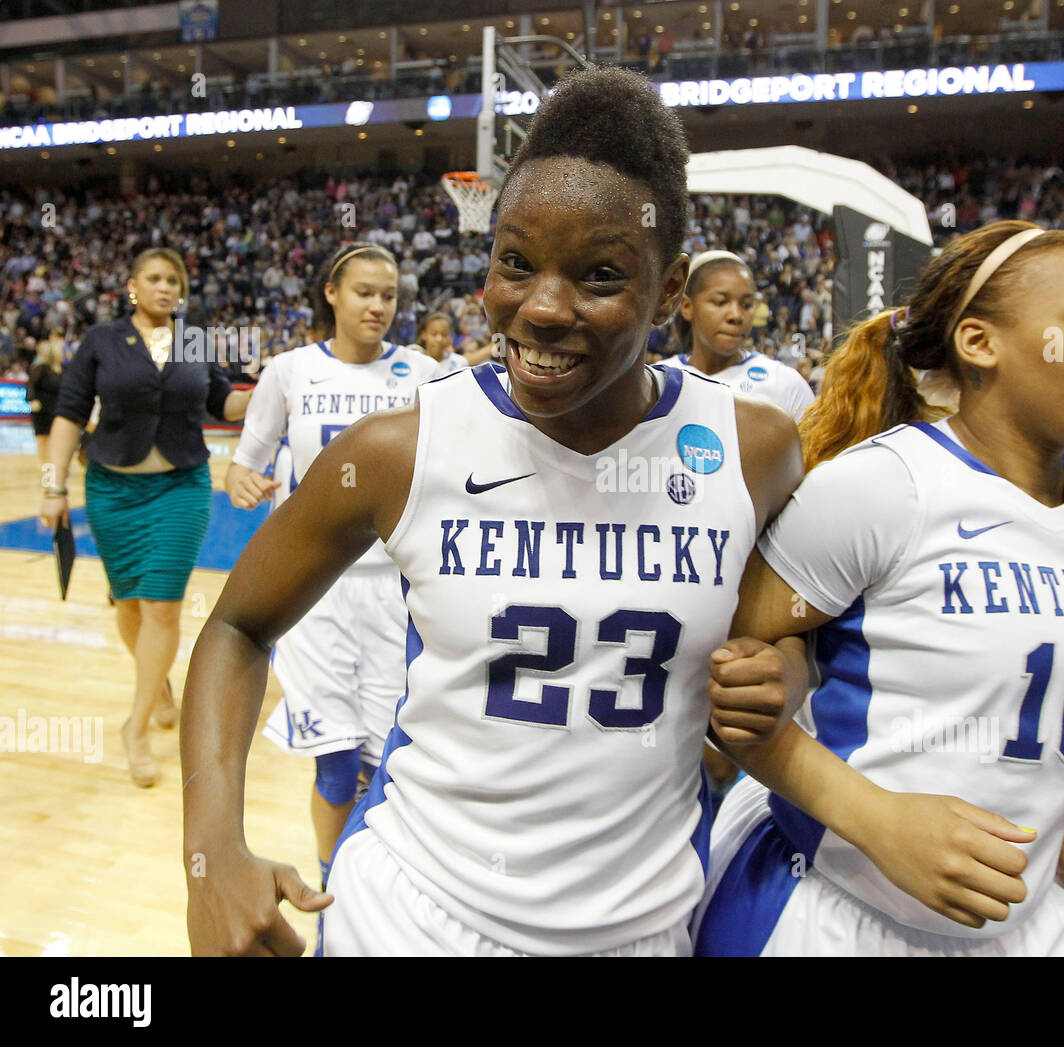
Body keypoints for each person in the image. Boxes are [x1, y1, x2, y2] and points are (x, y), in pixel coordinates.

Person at [180, 67, 808, 957]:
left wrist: (786, 667)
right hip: (410, 917)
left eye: (598, 275)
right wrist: (210, 853)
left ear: (669, 292)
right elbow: (236, 627)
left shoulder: (755, 450)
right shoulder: (398, 449)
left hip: (642, 928)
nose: (543, 307)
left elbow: (795, 638)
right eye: (516, 262)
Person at [695, 221, 1064, 956]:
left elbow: (1004, 703)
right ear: (979, 343)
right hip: (833, 911)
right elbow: (733, 692)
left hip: (1030, 924)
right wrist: (874, 817)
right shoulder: (880, 487)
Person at [222, 243, 439, 921]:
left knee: (386, 764)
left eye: (390, 296)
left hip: (395, 595)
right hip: (313, 593)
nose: (378, 306)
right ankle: (333, 888)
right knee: (336, 764)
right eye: (365, 292)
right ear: (332, 294)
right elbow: (243, 465)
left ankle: (374, 881)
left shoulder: (425, 373)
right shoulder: (288, 373)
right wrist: (241, 478)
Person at [38, 247, 251, 787]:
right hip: (111, 490)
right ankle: (156, 684)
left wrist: (273, 385)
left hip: (182, 488)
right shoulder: (102, 341)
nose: (164, 287)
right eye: (154, 278)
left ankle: (134, 728)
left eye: (173, 280)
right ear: (133, 286)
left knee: (161, 605)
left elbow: (221, 402)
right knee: (129, 603)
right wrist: (52, 486)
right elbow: (68, 413)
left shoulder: (196, 340)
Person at [661, 251, 814, 421]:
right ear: (687, 307)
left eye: (746, 304)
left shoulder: (786, 384)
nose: (736, 315)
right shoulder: (658, 383)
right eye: (720, 302)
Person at [26, 335, 62, 467]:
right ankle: (46, 464)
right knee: (43, 438)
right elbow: (30, 386)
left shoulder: (62, 370)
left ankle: (54, 462)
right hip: (42, 410)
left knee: (56, 438)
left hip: (56, 409)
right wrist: (32, 400)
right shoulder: (40, 368)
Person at [415, 311, 468, 377]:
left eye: (444, 334)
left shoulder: (459, 363)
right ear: (424, 335)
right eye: (434, 334)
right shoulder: (414, 361)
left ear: (450, 337)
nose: (439, 339)